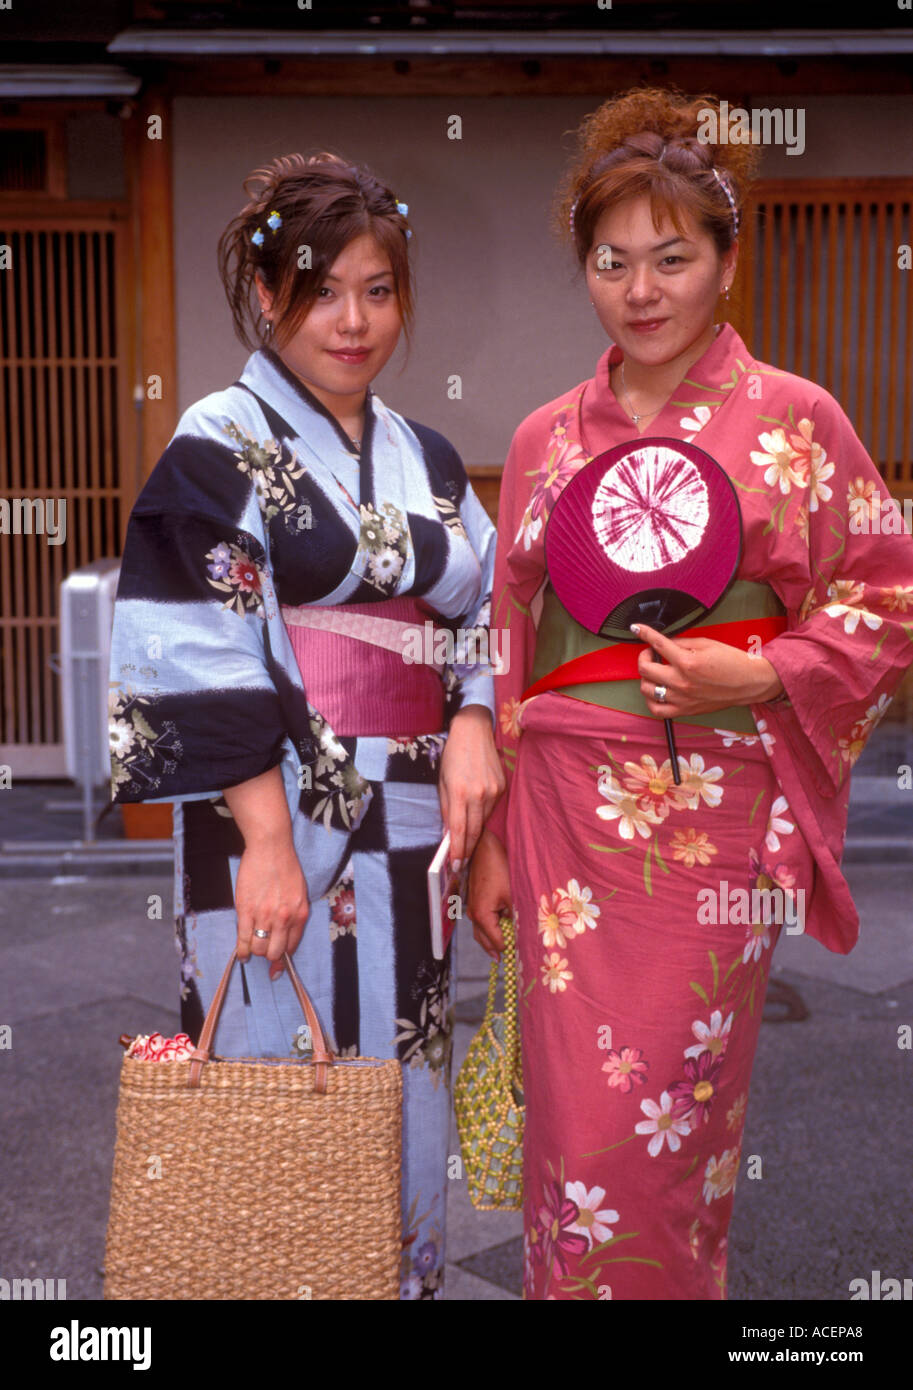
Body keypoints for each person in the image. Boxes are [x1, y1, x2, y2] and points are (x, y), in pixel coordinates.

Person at [468, 87, 913, 1300]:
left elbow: (885, 595)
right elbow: (510, 639)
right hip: (561, 805)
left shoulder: (796, 422)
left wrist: (762, 668)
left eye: (672, 257)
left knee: (664, 1124)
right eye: (613, 262)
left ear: (724, 260)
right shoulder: (544, 439)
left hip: (707, 810)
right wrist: (499, 829)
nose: (642, 288)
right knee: (572, 1135)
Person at [108, 151, 503, 1300]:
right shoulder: (220, 440)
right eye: (321, 288)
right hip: (274, 814)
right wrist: (267, 848)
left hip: (416, 814)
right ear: (269, 293)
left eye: (378, 290)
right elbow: (194, 643)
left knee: (402, 1079)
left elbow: (485, 601)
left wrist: (475, 712)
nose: (353, 319)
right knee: (278, 1089)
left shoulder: (425, 458)